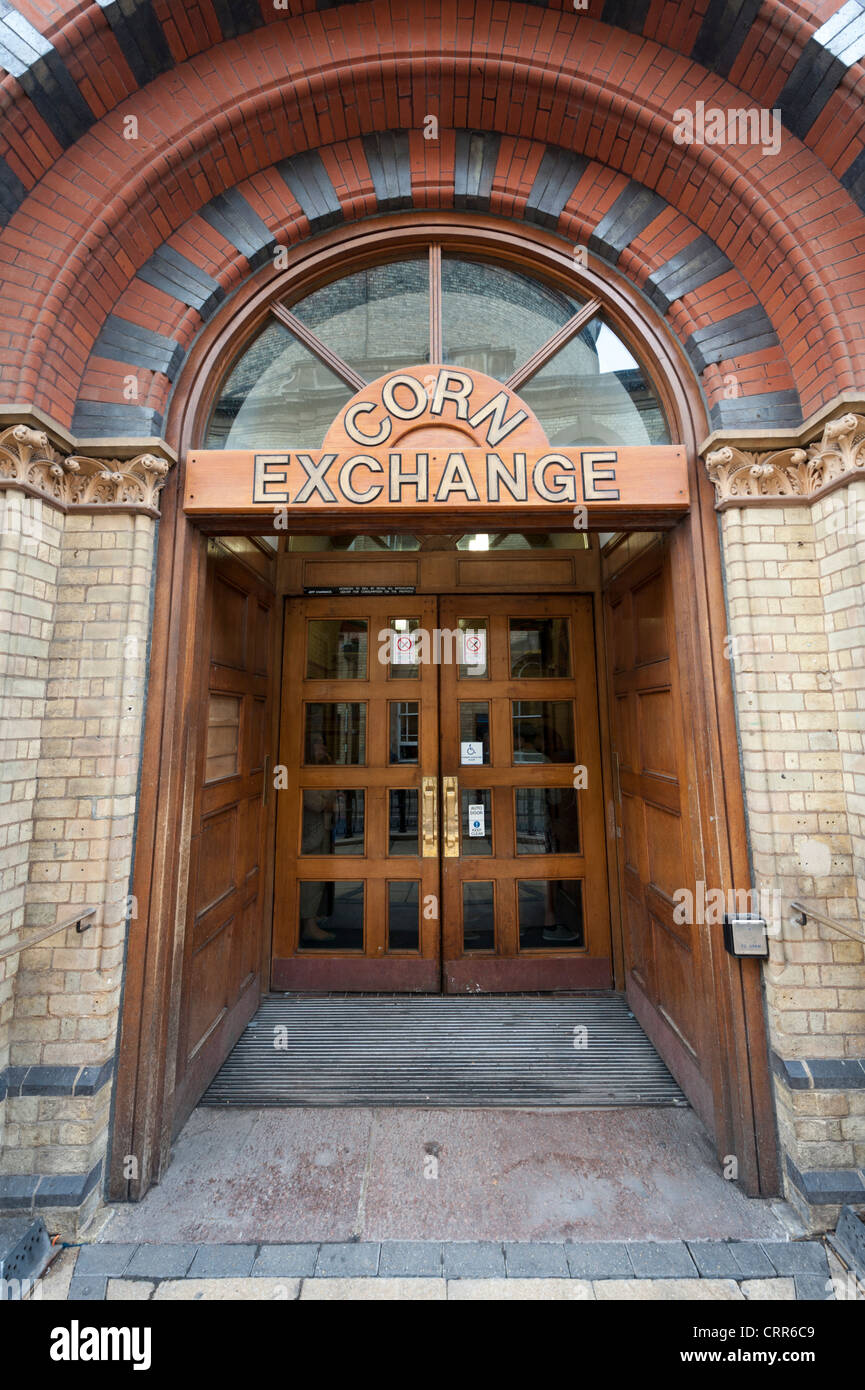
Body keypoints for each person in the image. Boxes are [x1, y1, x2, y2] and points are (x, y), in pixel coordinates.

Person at [300, 734, 337, 942]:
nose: (322, 746)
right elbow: (313, 800)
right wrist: (327, 804)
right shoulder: (303, 767)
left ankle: (313, 918)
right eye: (317, 743)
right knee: (310, 879)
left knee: (320, 877)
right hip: (310, 831)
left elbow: (332, 790)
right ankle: (308, 924)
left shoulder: (323, 767)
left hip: (323, 829)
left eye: (323, 742)